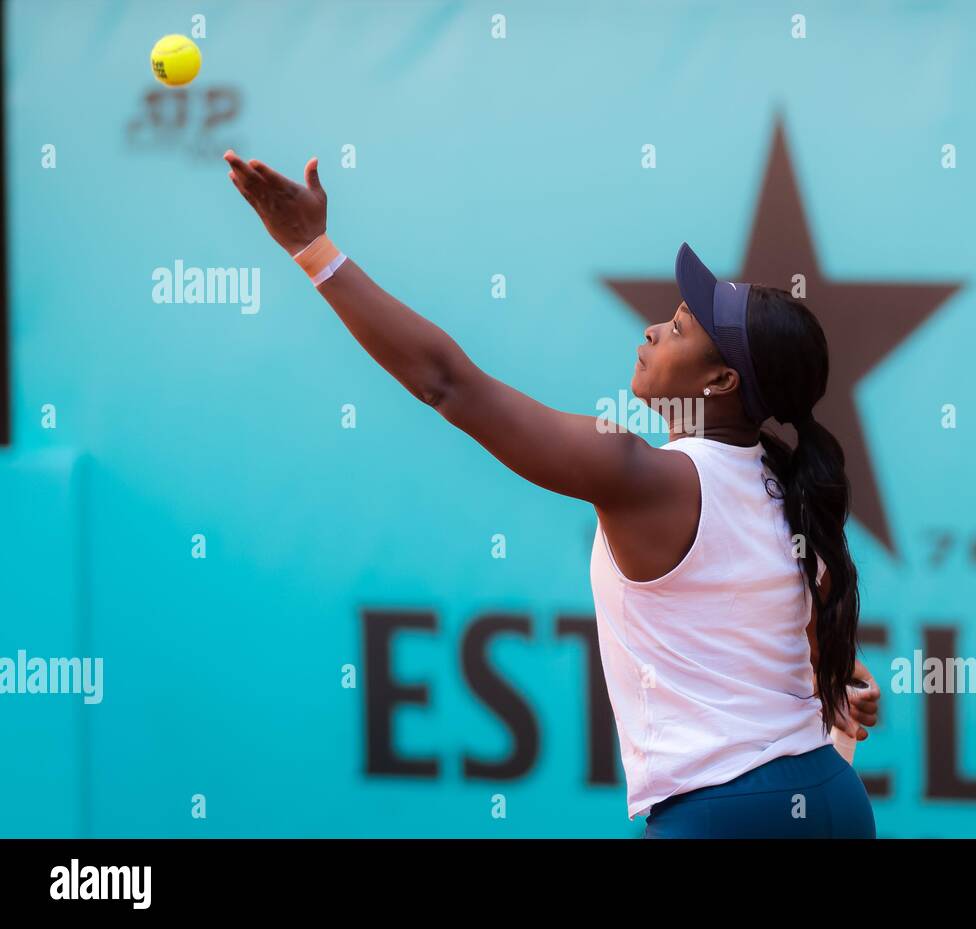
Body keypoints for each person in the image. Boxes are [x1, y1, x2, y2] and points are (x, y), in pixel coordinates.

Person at [222, 150, 881, 838]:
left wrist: (313, 249)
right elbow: (800, 625)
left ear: (720, 384)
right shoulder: (786, 486)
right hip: (831, 797)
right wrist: (838, 675)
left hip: (724, 817)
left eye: (681, 328)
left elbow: (448, 384)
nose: (653, 329)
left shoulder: (642, 475)